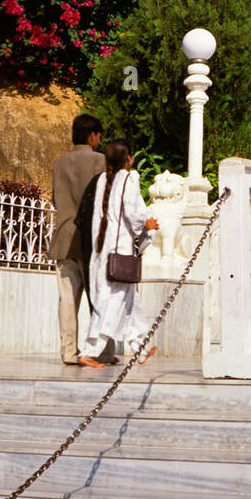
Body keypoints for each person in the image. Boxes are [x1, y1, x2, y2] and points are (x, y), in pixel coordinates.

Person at [77, 139, 159, 368]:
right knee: (111, 303)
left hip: (103, 251)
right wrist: (147, 224)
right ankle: (89, 351)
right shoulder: (128, 180)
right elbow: (133, 212)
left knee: (130, 301)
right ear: (129, 158)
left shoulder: (102, 180)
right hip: (120, 252)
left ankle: (140, 348)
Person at [49, 114, 107, 366]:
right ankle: (100, 351)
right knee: (100, 297)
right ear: (93, 135)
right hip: (91, 238)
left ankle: (69, 353)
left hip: (64, 237)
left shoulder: (59, 163)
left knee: (67, 299)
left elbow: (56, 198)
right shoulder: (101, 161)